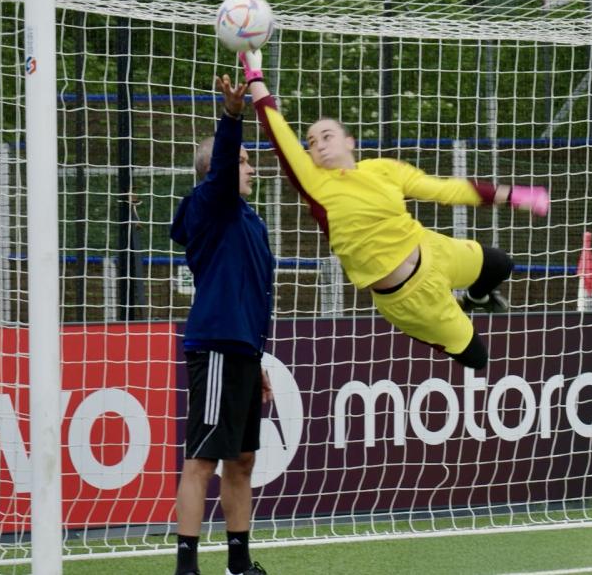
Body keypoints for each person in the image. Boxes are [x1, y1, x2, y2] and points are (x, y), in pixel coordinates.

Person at [239, 48, 549, 370]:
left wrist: (512, 195)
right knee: (477, 358)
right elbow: (278, 132)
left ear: (349, 142)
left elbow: (443, 189)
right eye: (312, 142)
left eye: (327, 136)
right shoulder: (314, 183)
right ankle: (438, 324)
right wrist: (255, 77)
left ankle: (473, 299)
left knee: (501, 264)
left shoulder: (382, 169)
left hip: (433, 250)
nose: (319, 144)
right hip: (407, 299)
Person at [168, 74, 273, 575]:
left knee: (242, 460)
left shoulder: (249, 220)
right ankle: (186, 569)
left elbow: (253, 297)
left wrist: (258, 358)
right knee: (202, 461)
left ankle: (238, 563)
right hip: (214, 349)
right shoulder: (211, 204)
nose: (251, 168)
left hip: (242, 352)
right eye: (245, 161)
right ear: (220, 169)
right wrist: (232, 116)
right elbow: (225, 161)